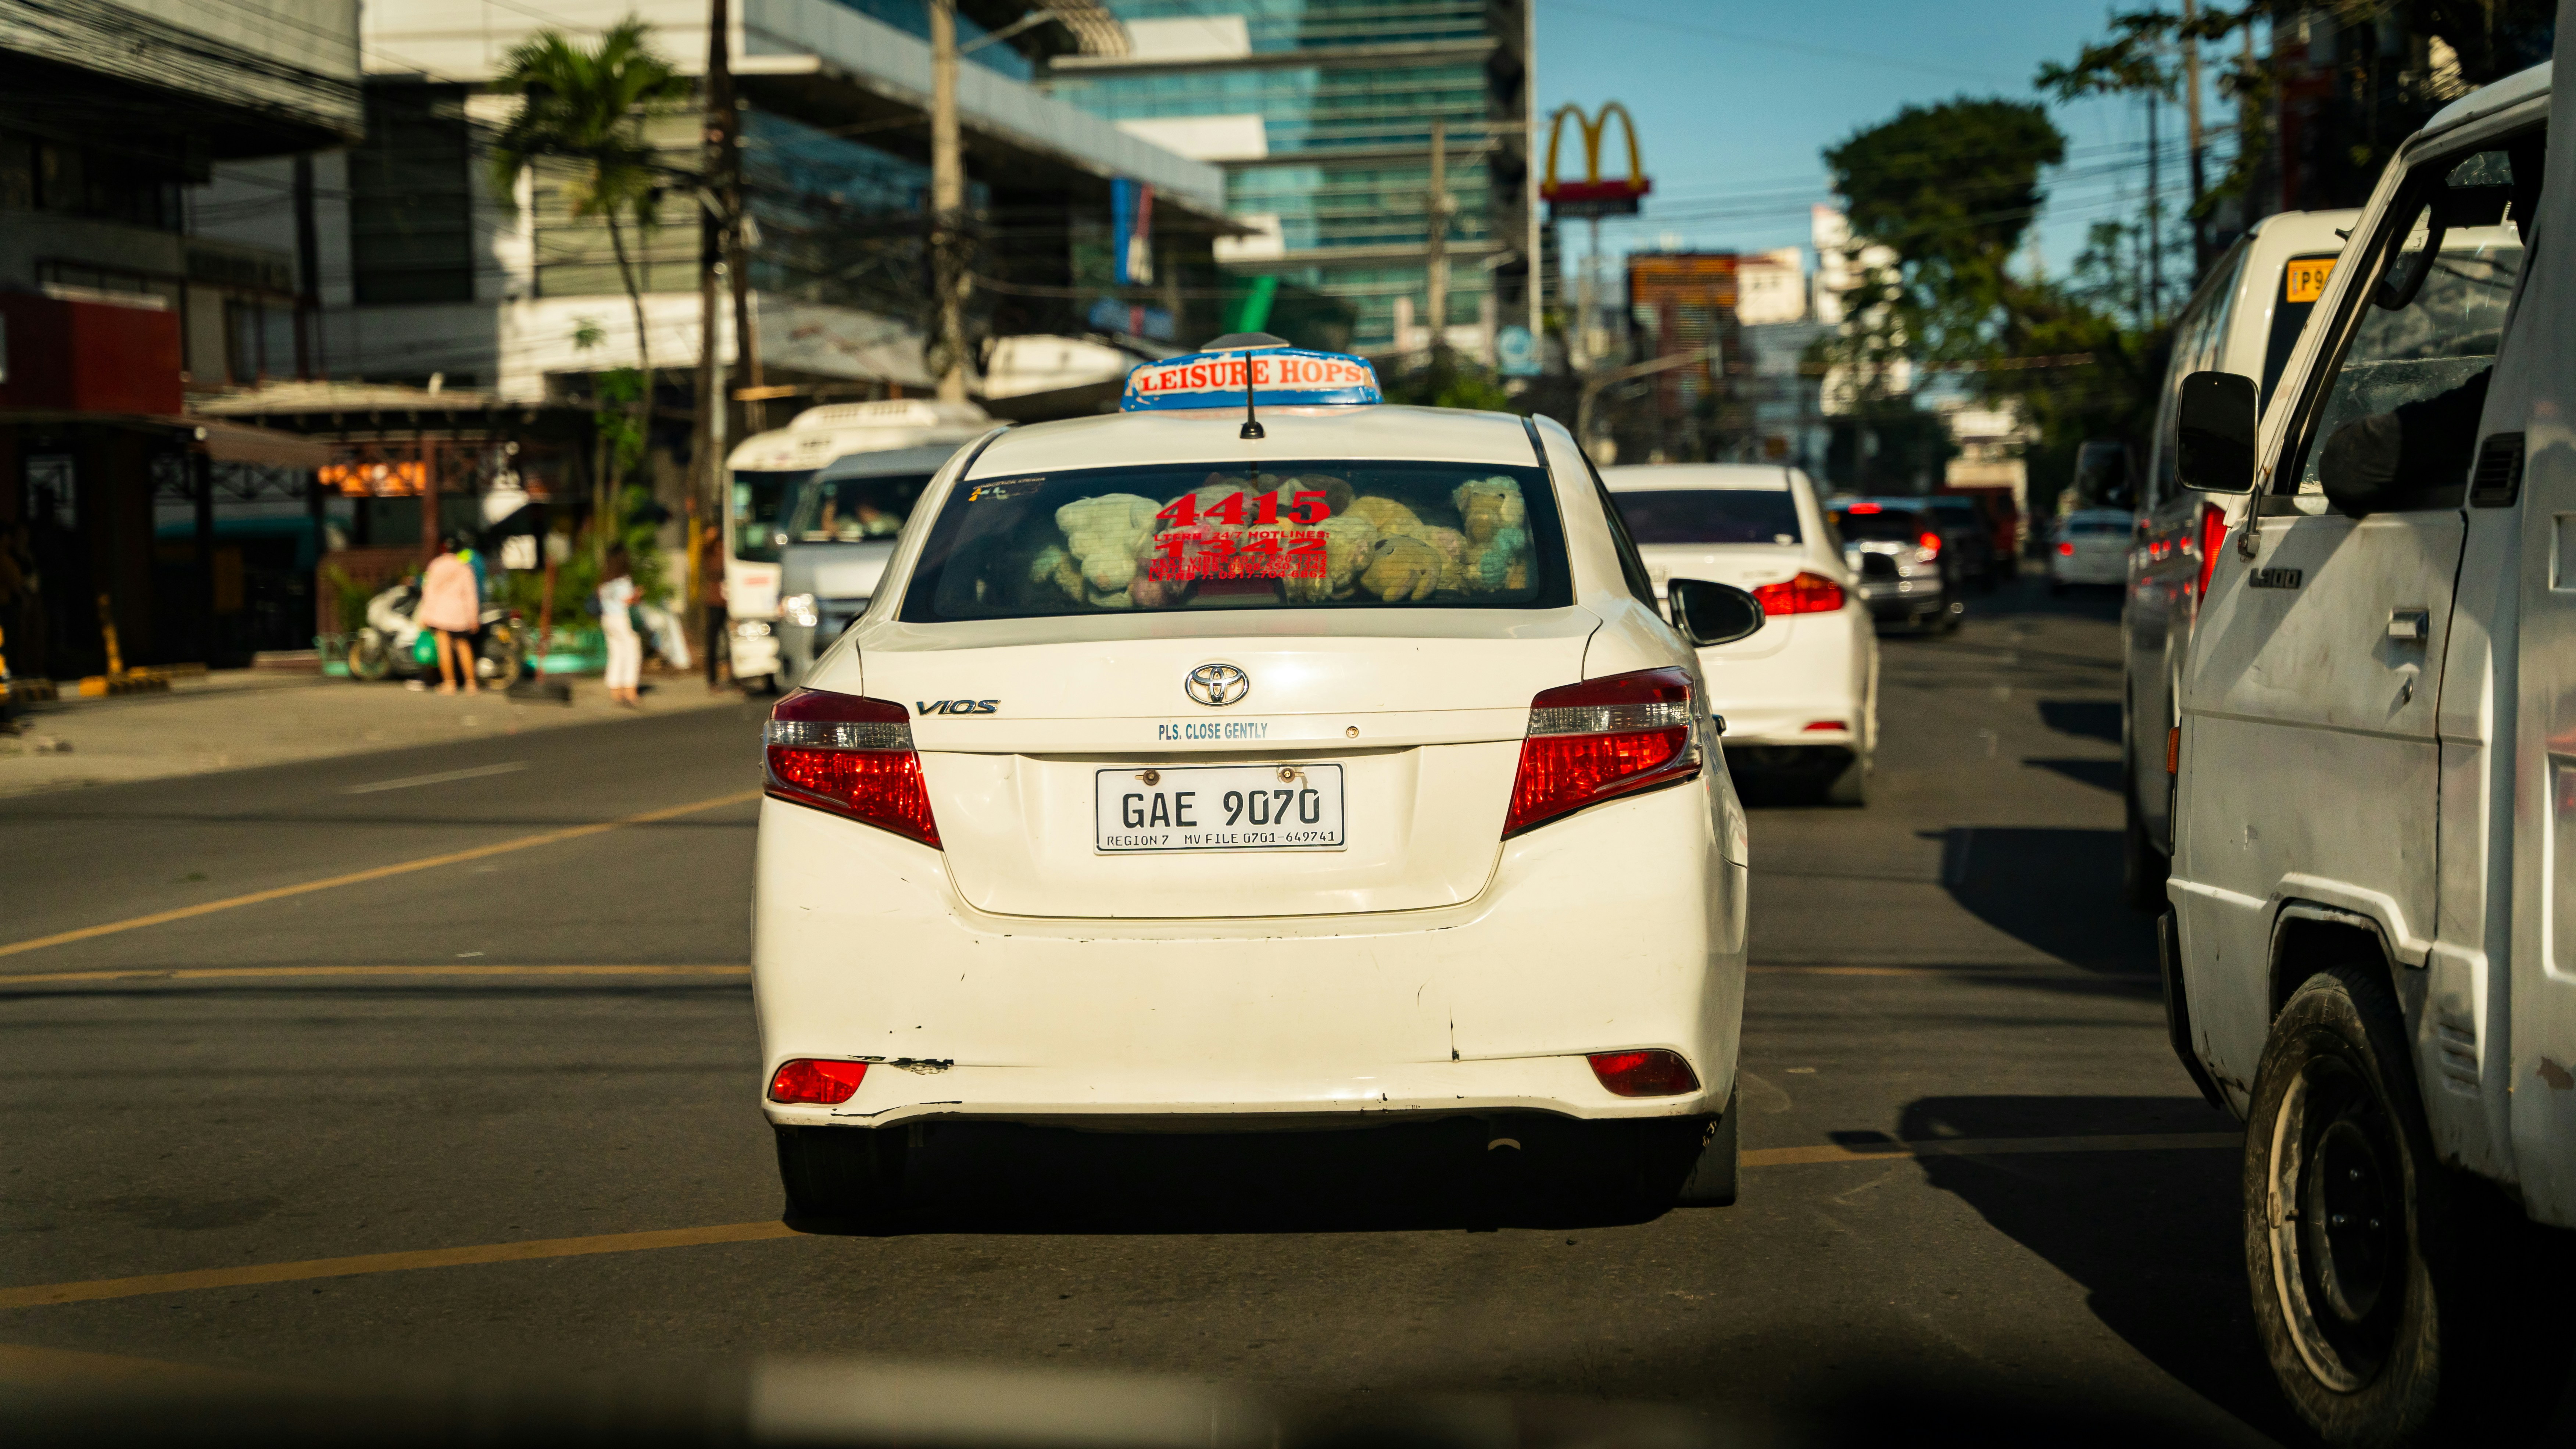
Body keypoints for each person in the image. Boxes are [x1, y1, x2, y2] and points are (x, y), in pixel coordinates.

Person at [417, 537, 483, 695]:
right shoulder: (465, 568)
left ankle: (450, 684)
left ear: (443, 549)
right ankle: (471, 684)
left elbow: (429, 592)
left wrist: (425, 615)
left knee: (444, 647)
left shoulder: (436, 566)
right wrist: (474, 618)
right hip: (460, 613)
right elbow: (471, 595)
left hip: (440, 613)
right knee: (463, 646)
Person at [598, 547, 641, 706]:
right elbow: (628, 601)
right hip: (622, 618)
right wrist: (638, 595)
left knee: (616, 652)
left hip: (607, 618)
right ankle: (630, 689)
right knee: (632, 650)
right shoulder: (624, 580)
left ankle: (615, 688)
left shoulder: (605, 581)